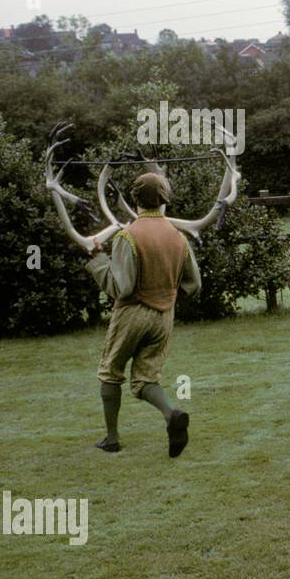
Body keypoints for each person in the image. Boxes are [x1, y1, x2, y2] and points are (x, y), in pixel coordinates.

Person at [85, 172, 201, 457]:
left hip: (132, 314)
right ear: (164, 199)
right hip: (164, 317)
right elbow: (194, 285)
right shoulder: (178, 236)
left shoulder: (128, 235)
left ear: (135, 199)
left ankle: (111, 438)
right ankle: (171, 412)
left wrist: (98, 260)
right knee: (146, 378)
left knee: (110, 373)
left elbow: (122, 288)